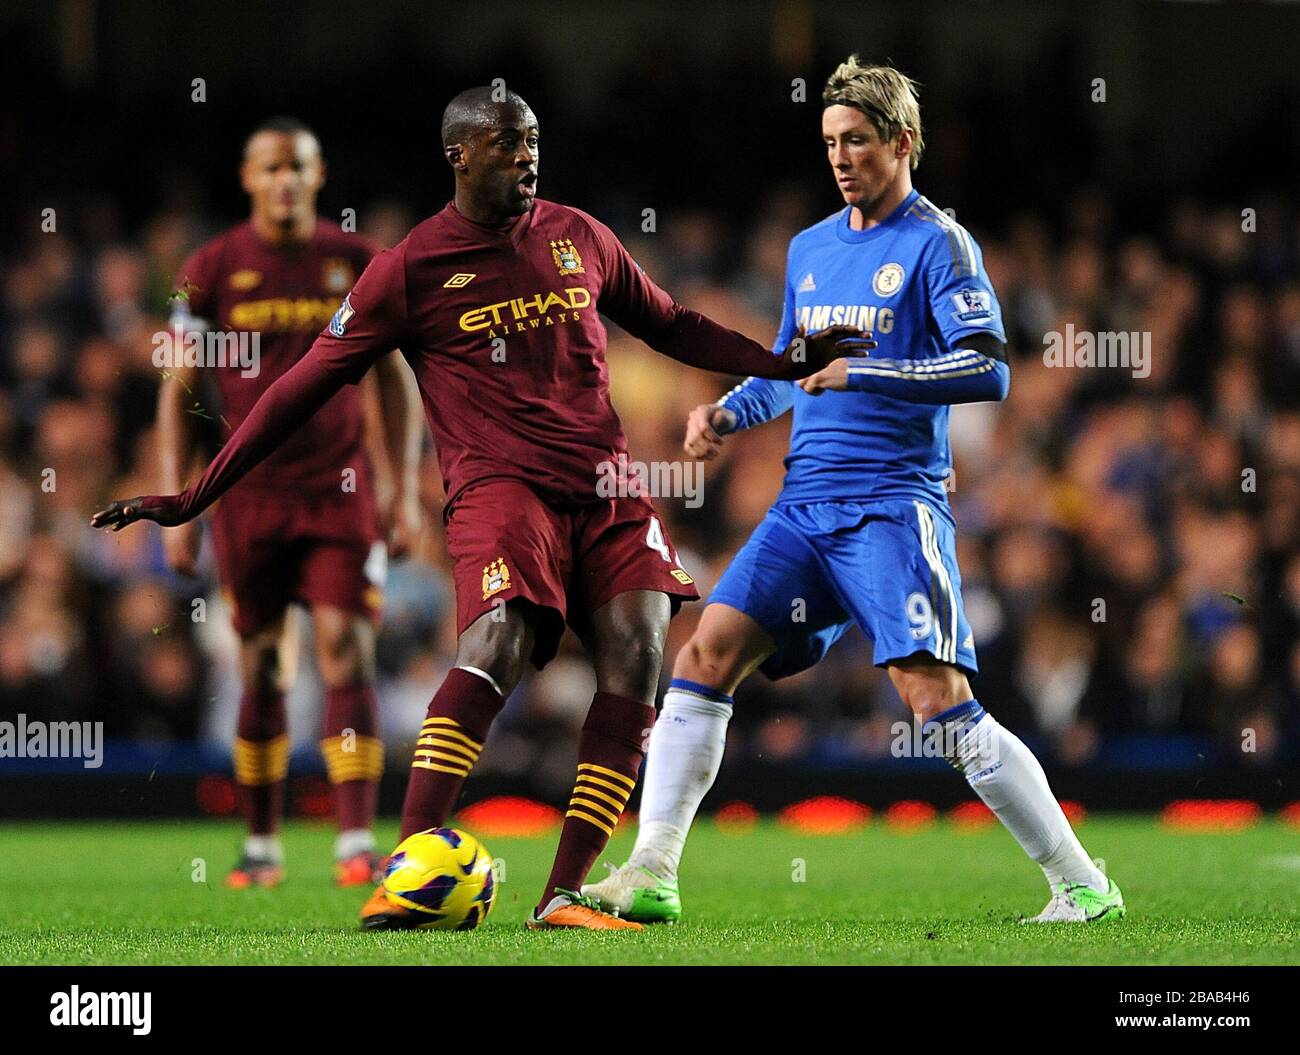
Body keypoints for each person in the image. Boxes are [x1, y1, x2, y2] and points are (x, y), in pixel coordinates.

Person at [92, 87, 865, 930]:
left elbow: (672, 323)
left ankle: (561, 894)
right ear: (457, 155)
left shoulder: (580, 235)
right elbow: (297, 389)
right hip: (499, 488)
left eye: (532, 140)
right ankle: (410, 864)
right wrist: (195, 494)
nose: (527, 156)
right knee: (497, 640)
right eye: (505, 143)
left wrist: (785, 362)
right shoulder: (410, 268)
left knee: (640, 649)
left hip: (604, 484)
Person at [584, 58, 1125, 925]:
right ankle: (653, 869)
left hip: (890, 505)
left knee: (935, 700)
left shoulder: (938, 243)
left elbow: (987, 368)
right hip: (804, 508)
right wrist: (731, 408)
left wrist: (870, 370)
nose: (840, 157)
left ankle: (1081, 881)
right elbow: (798, 369)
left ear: (902, 142)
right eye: (831, 141)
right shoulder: (811, 248)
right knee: (703, 655)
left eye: (858, 141)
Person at [160, 117, 422, 889]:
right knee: (264, 665)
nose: (284, 180)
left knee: (346, 646)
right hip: (247, 497)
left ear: (318, 175)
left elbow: (393, 377)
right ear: (248, 178)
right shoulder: (208, 269)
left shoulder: (355, 262)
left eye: (296, 167)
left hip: (341, 493)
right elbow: (177, 390)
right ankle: (262, 844)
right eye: (270, 167)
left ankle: (353, 841)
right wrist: (181, 499)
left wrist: (403, 489)